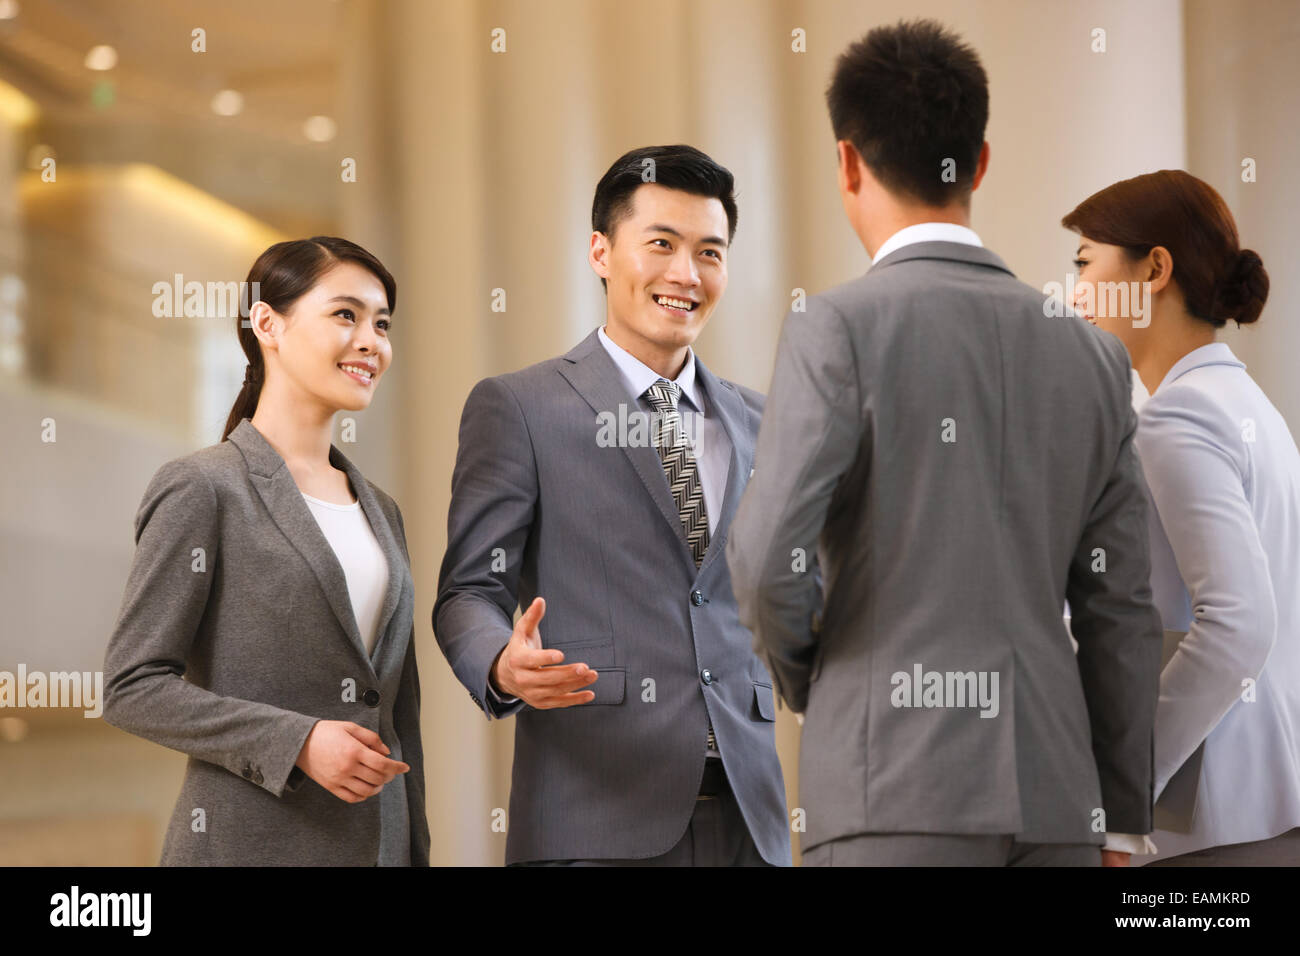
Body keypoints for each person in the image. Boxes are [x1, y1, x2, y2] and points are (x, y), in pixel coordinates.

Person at [726, 19, 1163, 867]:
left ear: (848, 162)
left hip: (889, 788)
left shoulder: (837, 326)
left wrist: (816, 676)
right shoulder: (1092, 357)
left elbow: (765, 552)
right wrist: (1119, 816)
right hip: (1057, 799)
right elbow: (1123, 607)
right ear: (981, 161)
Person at [434, 145, 790, 866]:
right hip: (592, 814)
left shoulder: (764, 421)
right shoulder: (521, 408)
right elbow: (469, 590)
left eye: (709, 253)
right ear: (600, 251)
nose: (685, 275)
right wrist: (502, 662)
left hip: (750, 819)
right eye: (660, 244)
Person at [103, 237, 429, 866]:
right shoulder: (203, 487)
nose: (372, 341)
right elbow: (131, 685)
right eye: (346, 315)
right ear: (267, 323)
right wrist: (298, 741)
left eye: (382, 323)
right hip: (248, 846)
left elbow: (398, 713)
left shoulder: (382, 510)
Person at [1064, 170, 1300, 866]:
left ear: (1155, 268)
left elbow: (1238, 624)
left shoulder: (1179, 418)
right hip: (1258, 805)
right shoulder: (1247, 404)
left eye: (1086, 265)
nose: (1074, 295)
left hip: (1204, 823)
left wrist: (1120, 797)